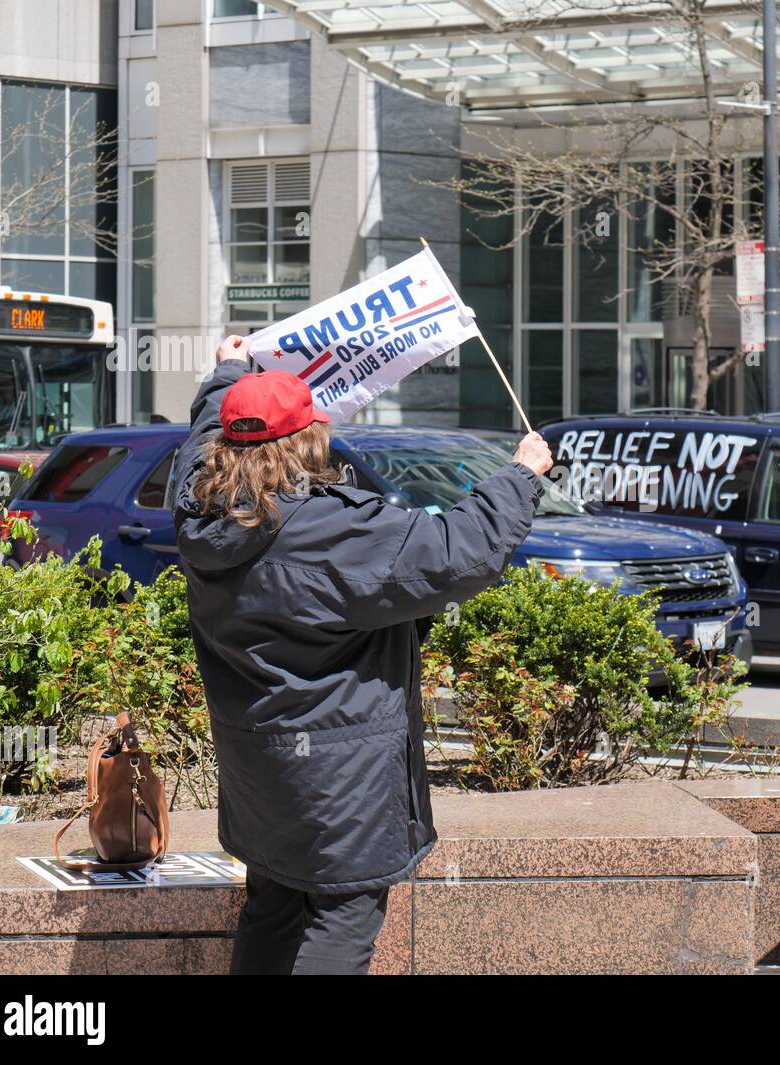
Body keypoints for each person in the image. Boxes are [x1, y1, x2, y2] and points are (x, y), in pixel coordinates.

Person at [171, 335, 552, 975]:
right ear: (308, 442)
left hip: (259, 765)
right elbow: (459, 550)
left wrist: (228, 374)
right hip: (339, 777)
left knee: (272, 902)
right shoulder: (328, 531)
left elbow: (202, 437)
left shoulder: (198, 508)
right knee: (341, 918)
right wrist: (520, 476)